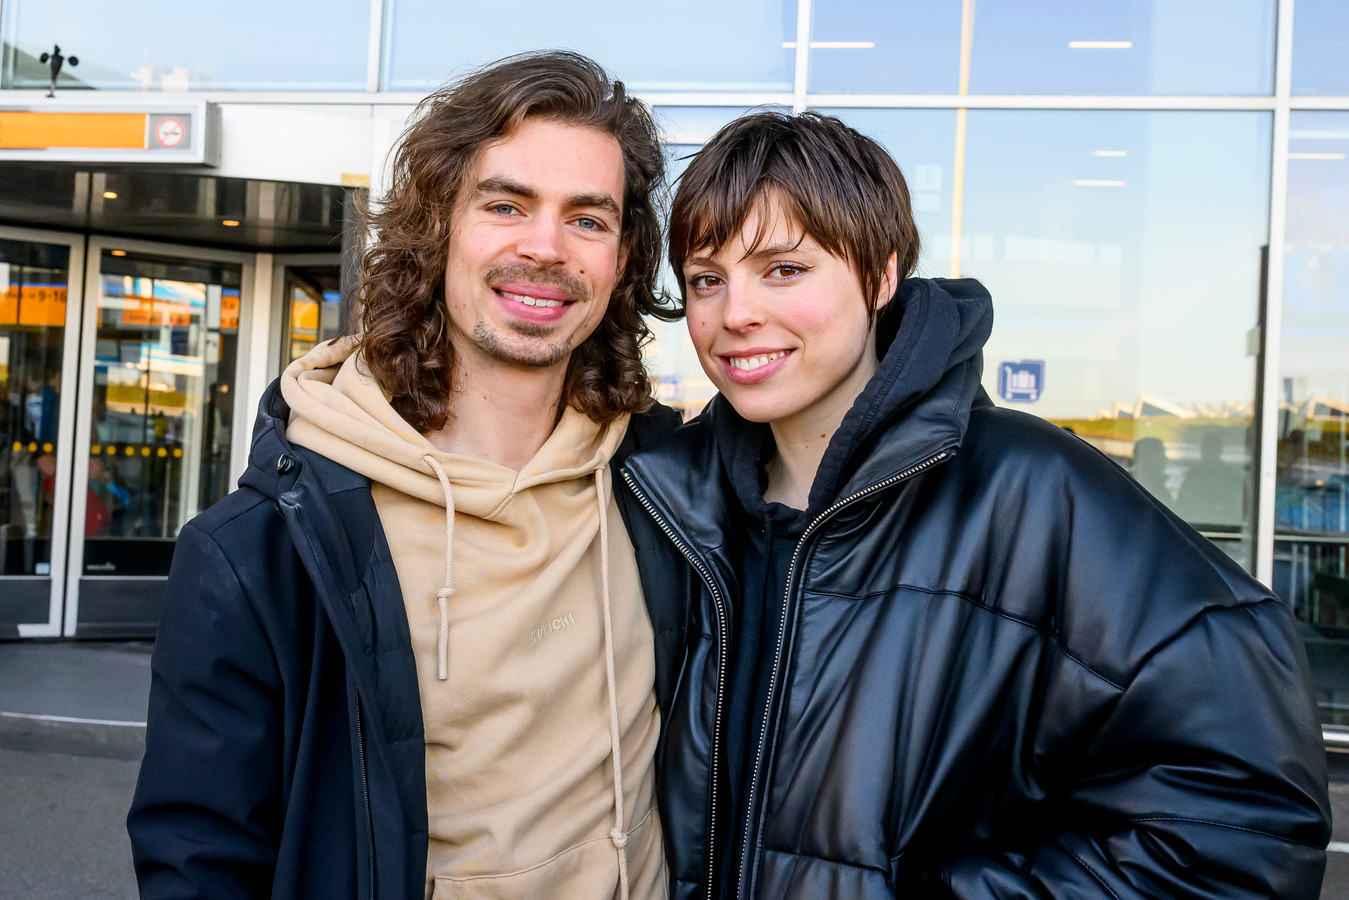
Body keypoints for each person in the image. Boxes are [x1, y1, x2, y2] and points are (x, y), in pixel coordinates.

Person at [620, 111, 1332, 899]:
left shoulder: (1034, 492)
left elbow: (1243, 822)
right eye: (705, 280)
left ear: (880, 276)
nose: (735, 313)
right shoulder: (671, 504)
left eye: (783, 269)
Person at [128, 51, 684, 900]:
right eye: (505, 204)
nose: (545, 248)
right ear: (437, 226)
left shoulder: (669, 493)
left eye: (587, 219)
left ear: (622, 256)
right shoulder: (264, 551)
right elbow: (200, 862)